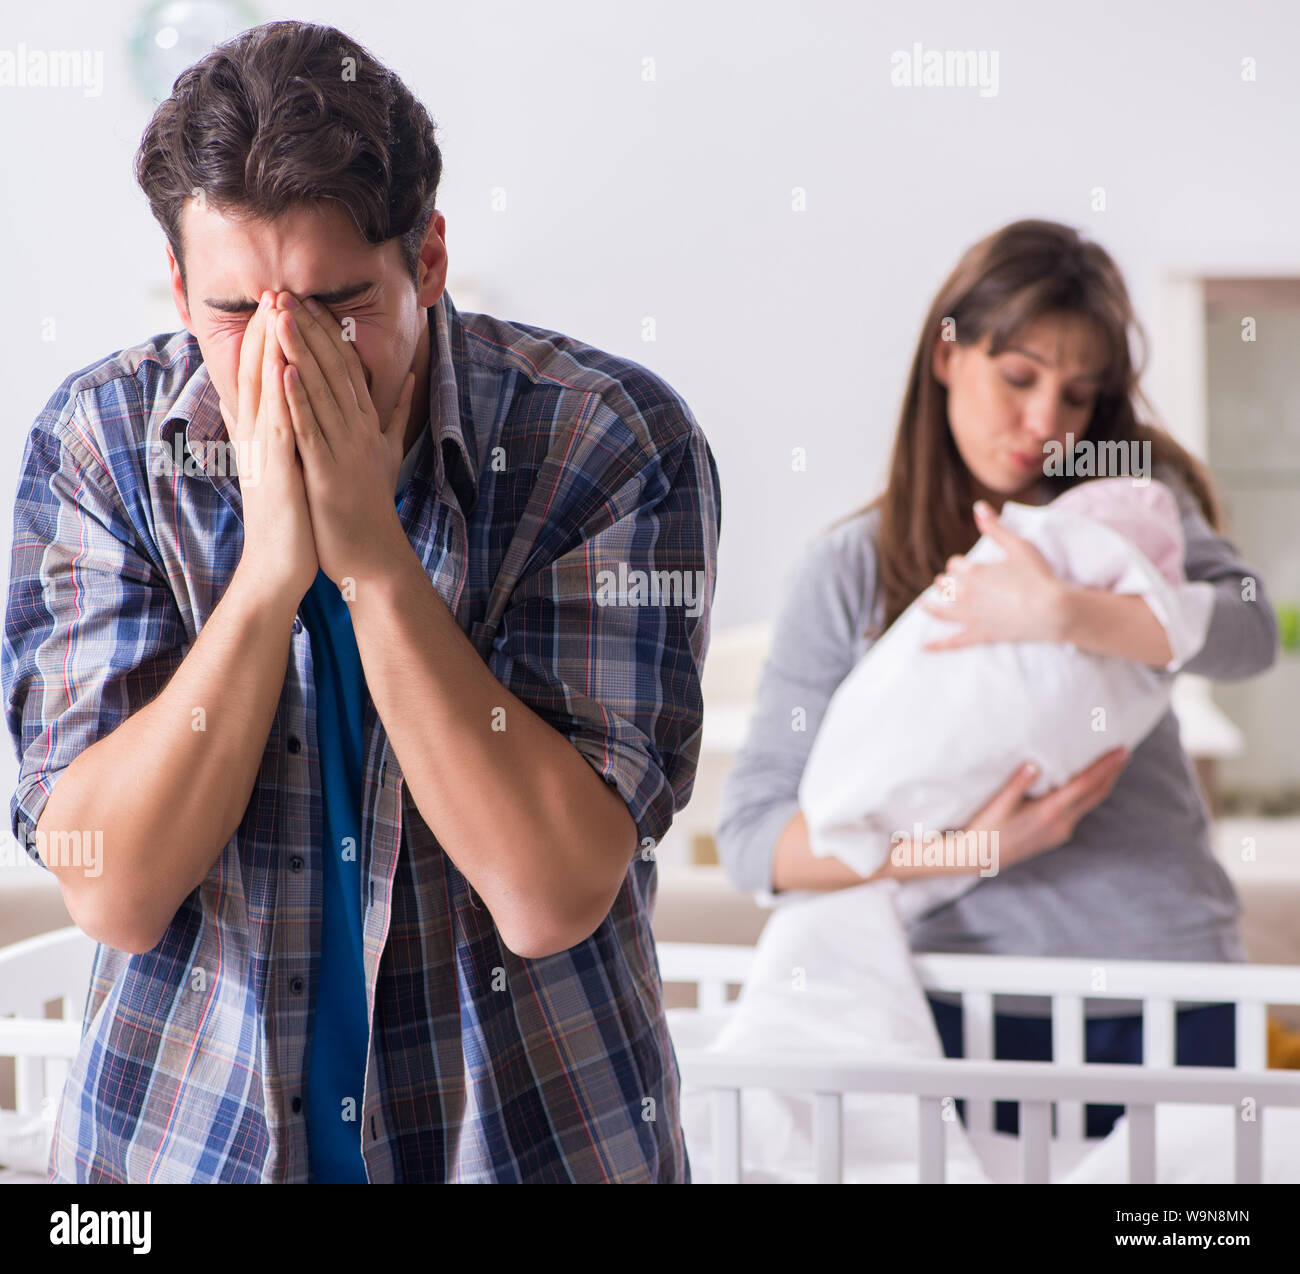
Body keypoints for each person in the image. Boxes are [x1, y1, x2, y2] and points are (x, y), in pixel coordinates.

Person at [2, 21, 719, 1183]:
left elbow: (548, 891)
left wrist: (373, 564)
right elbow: (117, 888)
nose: (284, 358)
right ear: (179, 289)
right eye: (236, 314)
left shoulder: (601, 439)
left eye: (338, 304)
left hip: (531, 1141)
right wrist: (271, 570)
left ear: (427, 260)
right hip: (186, 1151)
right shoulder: (103, 446)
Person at [716, 218, 1277, 1137]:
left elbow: (1250, 629)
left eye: (1080, 395)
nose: (1046, 423)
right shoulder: (849, 571)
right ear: (947, 355)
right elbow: (757, 842)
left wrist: (1063, 613)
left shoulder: (1118, 518)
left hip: (1173, 979)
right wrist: (979, 848)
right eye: (1018, 377)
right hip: (964, 996)